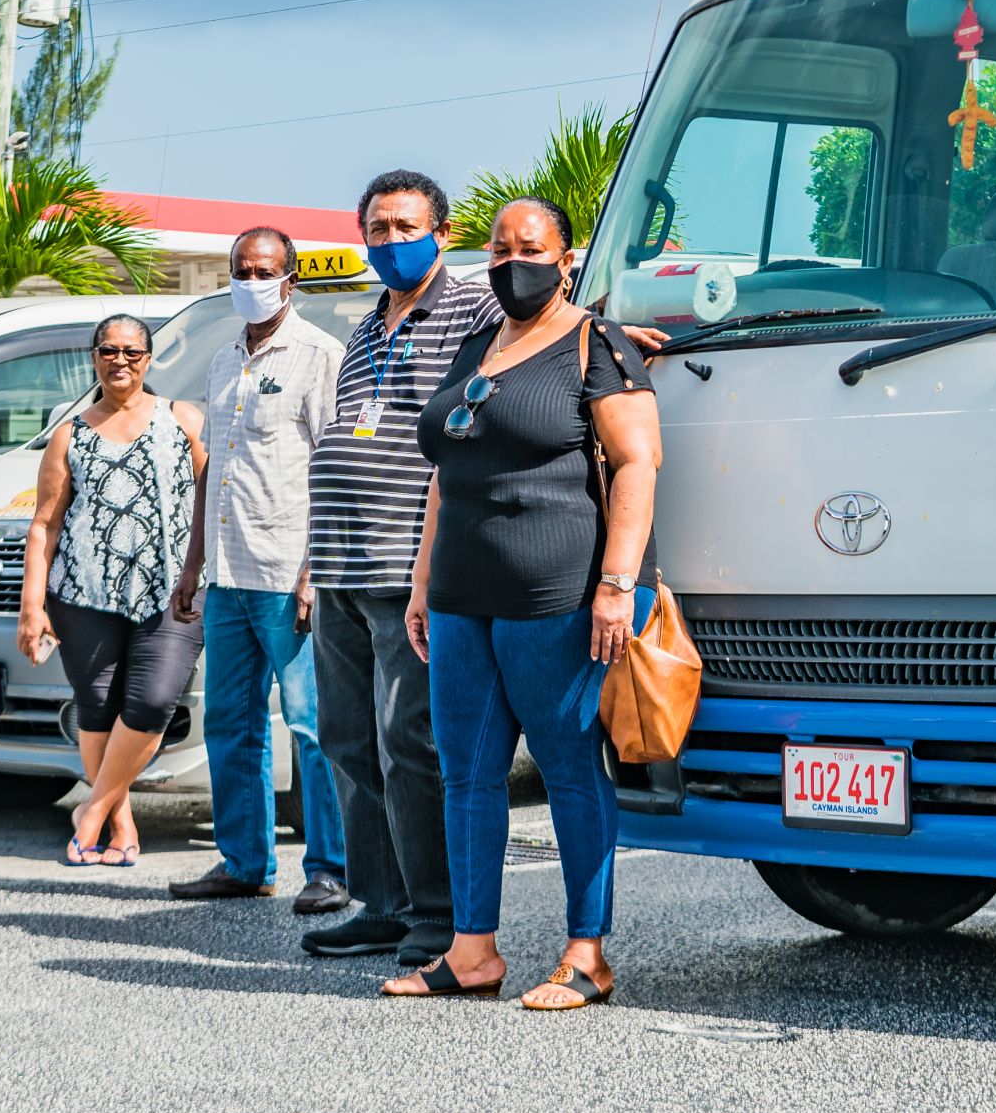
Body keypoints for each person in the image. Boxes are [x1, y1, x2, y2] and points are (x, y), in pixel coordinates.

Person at [384, 198, 660, 1009]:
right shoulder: (477, 345)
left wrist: (615, 586)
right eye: (499, 248)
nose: (512, 261)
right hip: (462, 596)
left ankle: (587, 953)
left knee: (571, 768)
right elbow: (446, 474)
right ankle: (472, 951)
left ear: (565, 257)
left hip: (557, 594)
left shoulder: (595, 344)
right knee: (465, 775)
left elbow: (637, 463)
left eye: (530, 247)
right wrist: (423, 579)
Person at [299, 169, 494, 965]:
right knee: (346, 738)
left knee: (404, 738)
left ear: (442, 232)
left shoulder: (473, 305)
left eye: (405, 225)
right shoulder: (365, 326)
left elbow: (550, 326)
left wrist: (612, 335)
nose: (390, 240)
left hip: (407, 566)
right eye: (376, 228)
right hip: (341, 563)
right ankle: (381, 901)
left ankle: (438, 913)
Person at [167, 227, 348, 909]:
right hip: (227, 576)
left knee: (310, 724)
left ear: (290, 278)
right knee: (229, 723)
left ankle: (330, 866)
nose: (251, 279)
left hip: (286, 574)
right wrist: (193, 565)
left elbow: (334, 469)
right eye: (241, 268)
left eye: (264, 269)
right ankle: (245, 860)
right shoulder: (221, 362)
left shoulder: (318, 355)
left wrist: (314, 572)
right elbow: (208, 468)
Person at [16, 313, 208, 867]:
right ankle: (121, 824)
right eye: (108, 350)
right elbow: (44, 524)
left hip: (173, 592)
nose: (119, 360)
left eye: (131, 351)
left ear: (149, 358)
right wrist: (32, 607)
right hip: (83, 595)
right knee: (98, 711)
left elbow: (211, 499)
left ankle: (92, 812)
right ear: (93, 357)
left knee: (150, 704)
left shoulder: (182, 419)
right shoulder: (70, 433)